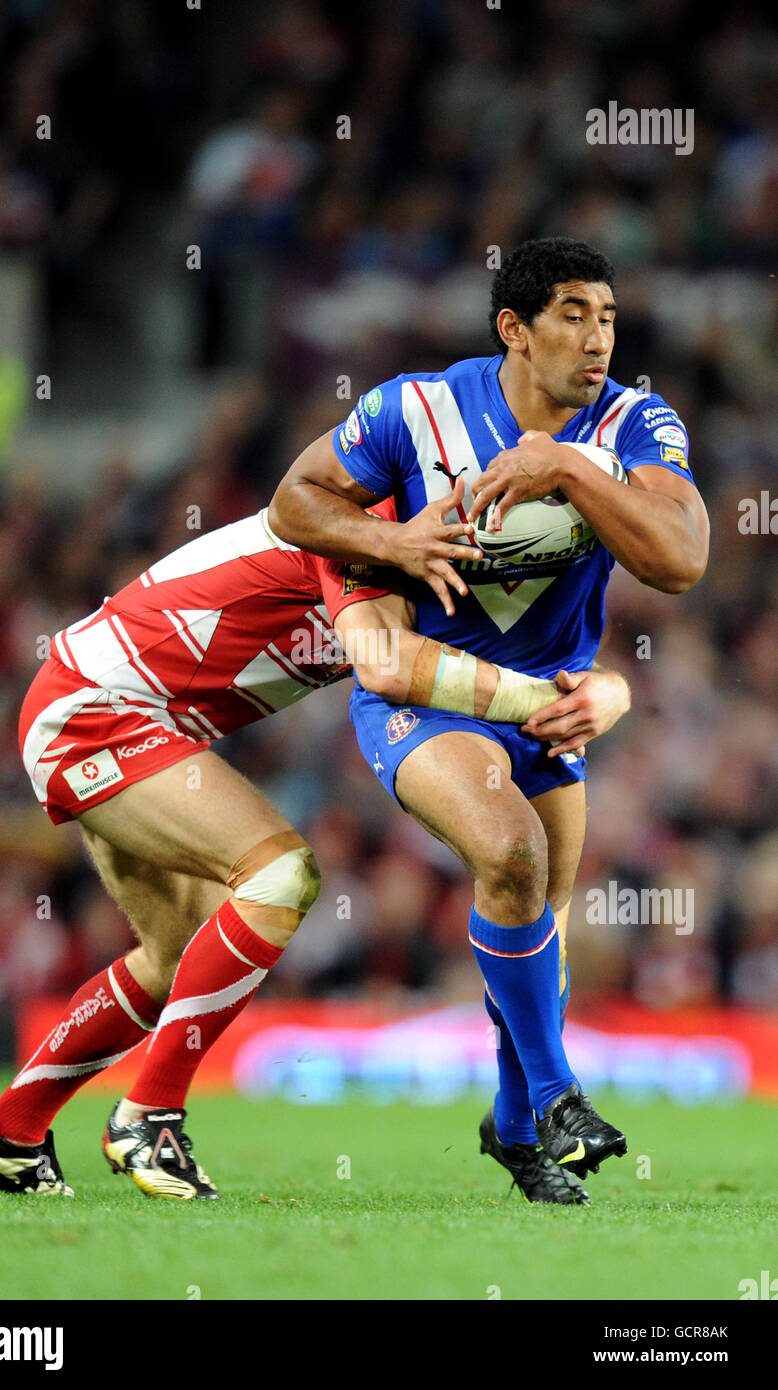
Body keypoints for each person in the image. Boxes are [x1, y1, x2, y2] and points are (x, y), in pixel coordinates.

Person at [0, 492, 630, 1201]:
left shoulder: (414, 534)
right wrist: (555, 701)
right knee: (278, 874)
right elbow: (391, 666)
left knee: (178, 958)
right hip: (97, 710)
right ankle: (148, 1117)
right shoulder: (363, 526)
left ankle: (8, 1134)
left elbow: (487, 653)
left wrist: (608, 686)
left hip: (129, 712)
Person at [268, 236, 709, 1196]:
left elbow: (679, 560)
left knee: (539, 920)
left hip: (549, 708)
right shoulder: (411, 408)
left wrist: (568, 472)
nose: (599, 339)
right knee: (509, 854)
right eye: (573, 315)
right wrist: (388, 536)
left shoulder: (635, 421)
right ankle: (556, 1097)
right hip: (425, 693)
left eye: (609, 317)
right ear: (514, 327)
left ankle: (513, 1129)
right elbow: (294, 502)